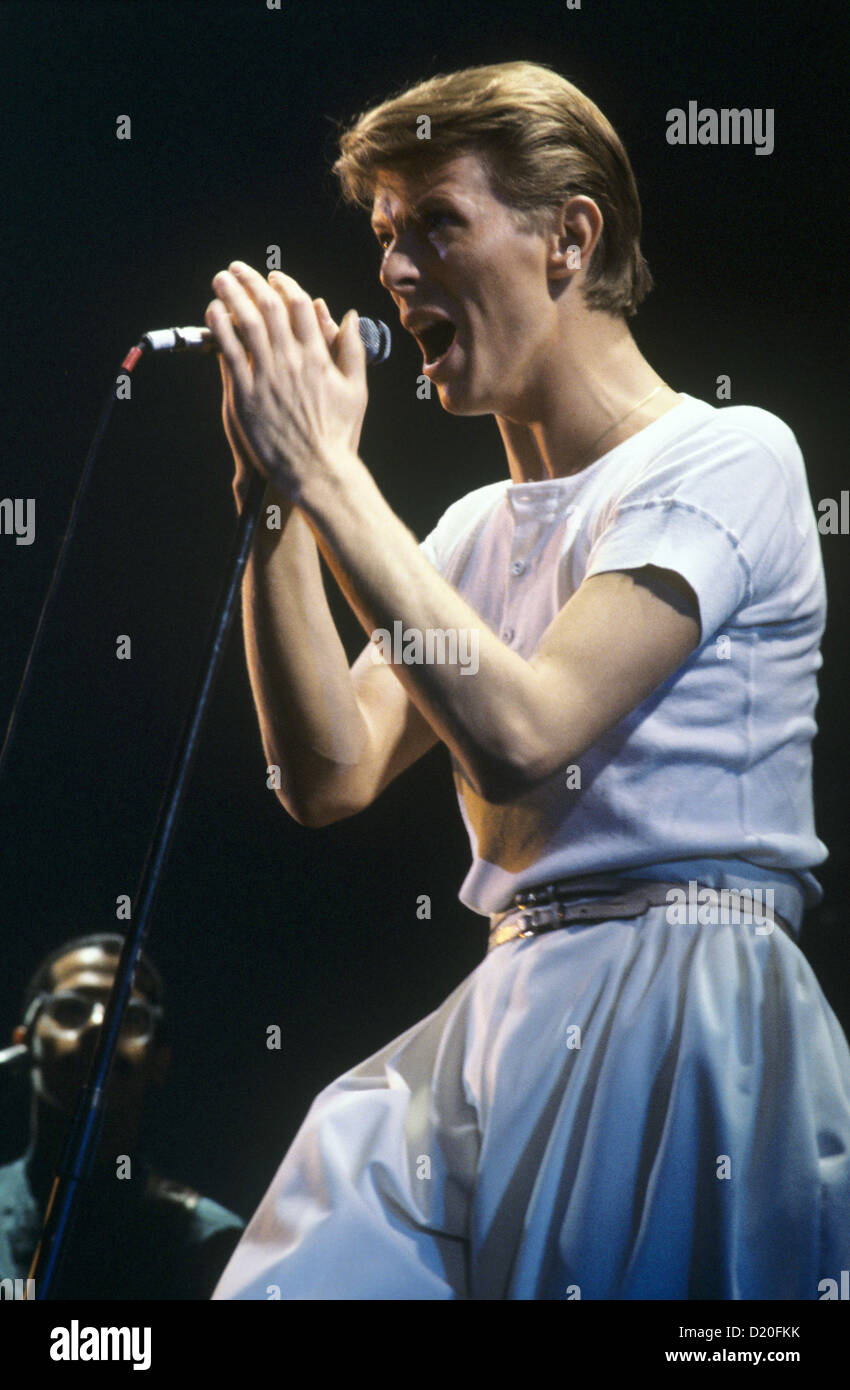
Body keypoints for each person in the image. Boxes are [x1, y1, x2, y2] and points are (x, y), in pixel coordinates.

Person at [204, 61, 850, 1299]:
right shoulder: (464, 528)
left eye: (437, 223)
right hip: (511, 994)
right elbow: (325, 772)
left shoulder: (731, 453)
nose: (395, 272)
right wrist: (278, 495)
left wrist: (334, 476)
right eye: (386, 236)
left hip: (676, 994)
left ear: (569, 236)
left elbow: (528, 731)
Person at [0, 934, 244, 1299]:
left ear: (160, 1060)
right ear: (25, 1041)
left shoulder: (215, 1245)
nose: (101, 1026)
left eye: (128, 1017)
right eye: (71, 1009)